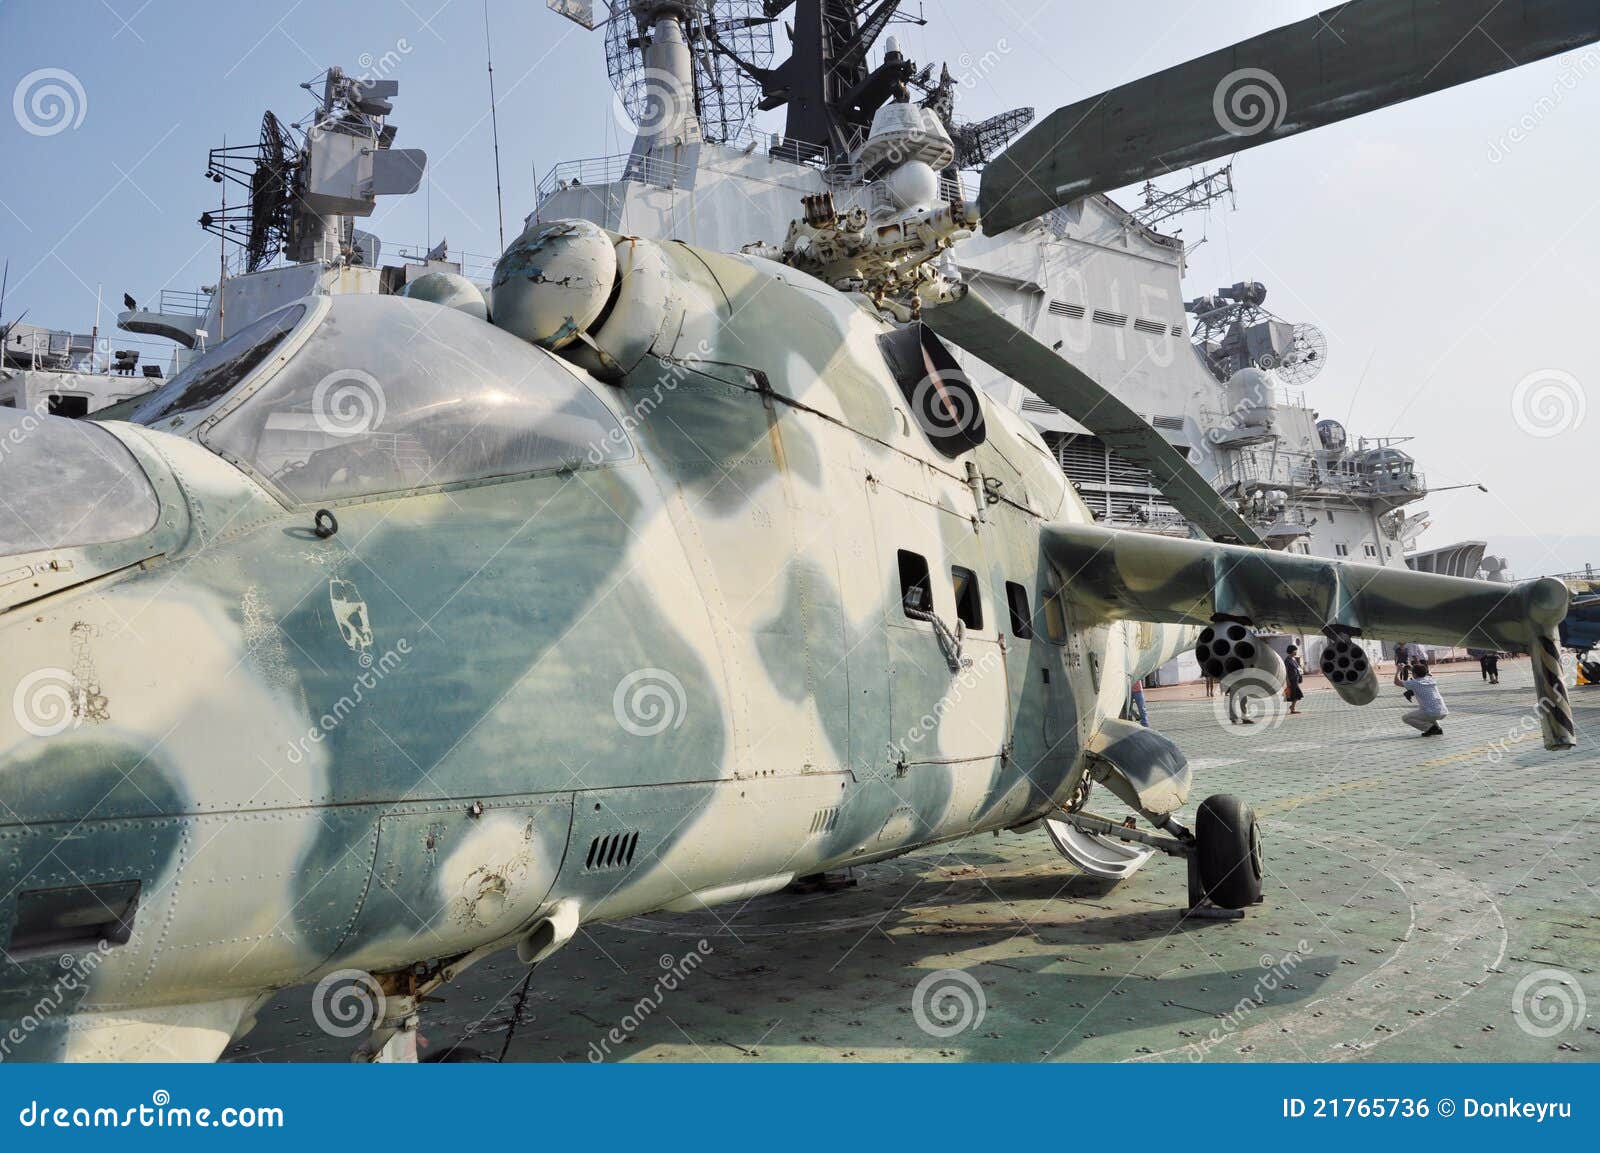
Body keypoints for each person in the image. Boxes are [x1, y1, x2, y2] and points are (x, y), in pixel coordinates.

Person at [1394, 658, 1448, 736]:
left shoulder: (1415, 683)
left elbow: (1397, 682)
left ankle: (1430, 728)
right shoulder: (1430, 679)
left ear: (1414, 674)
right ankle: (1437, 729)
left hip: (1432, 713)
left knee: (1405, 718)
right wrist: (1410, 668)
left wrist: (1398, 670)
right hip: (1443, 711)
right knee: (1425, 710)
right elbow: (1422, 673)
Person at [1283, 644, 1304, 715]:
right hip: (1291, 680)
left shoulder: (1294, 659)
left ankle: (1292, 708)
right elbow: (1285, 671)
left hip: (1296, 679)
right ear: (1291, 651)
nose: (1296, 652)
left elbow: (1298, 668)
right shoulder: (1287, 660)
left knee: (1296, 694)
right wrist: (1287, 681)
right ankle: (1292, 708)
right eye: (1295, 650)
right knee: (1297, 694)